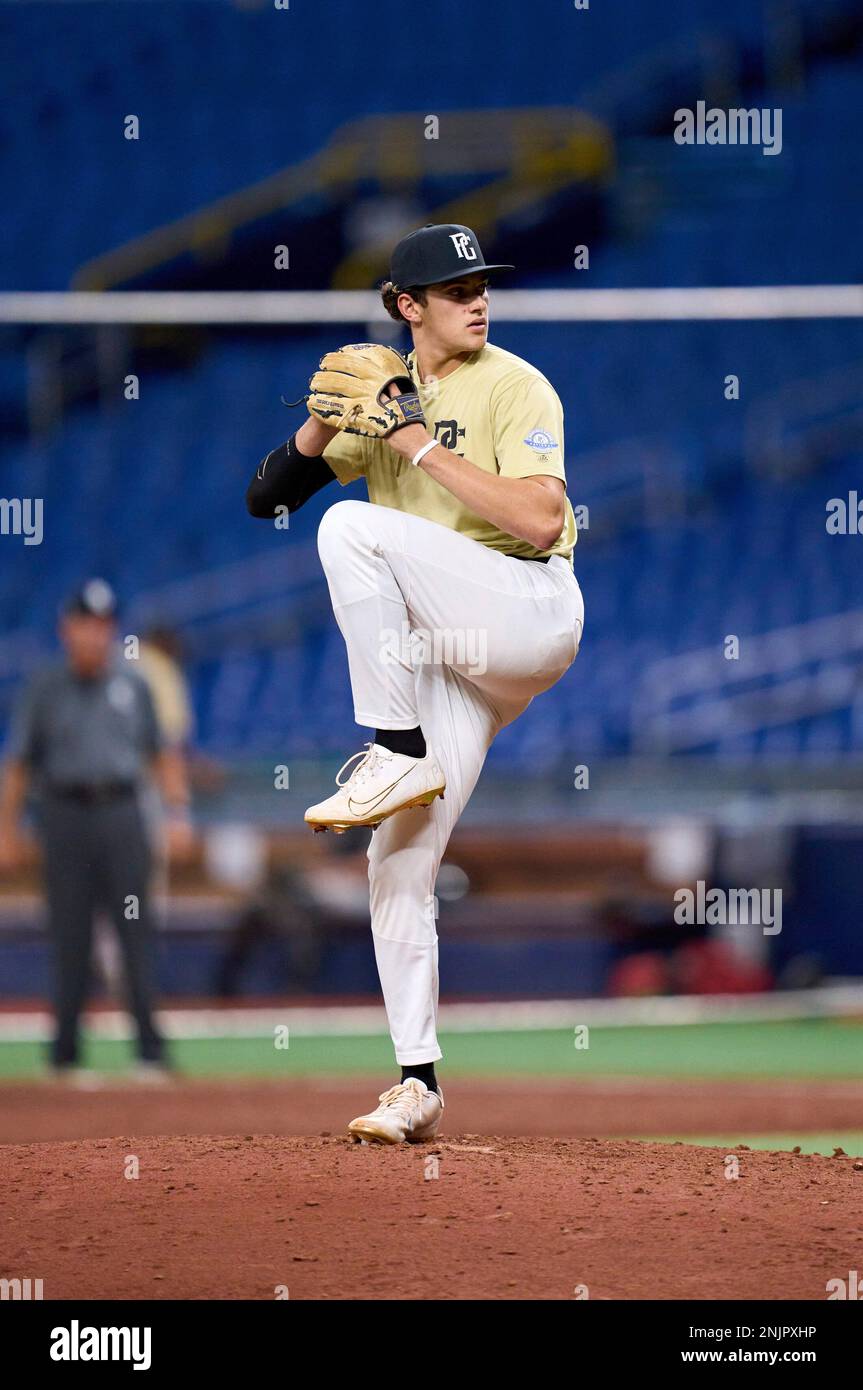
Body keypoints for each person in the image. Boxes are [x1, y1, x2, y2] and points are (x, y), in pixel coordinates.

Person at [246, 223, 583, 1142]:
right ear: (407, 306)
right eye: (455, 287)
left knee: (352, 531)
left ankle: (392, 749)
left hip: (526, 611)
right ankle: (417, 1082)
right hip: (455, 662)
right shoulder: (386, 394)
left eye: (482, 283)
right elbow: (268, 499)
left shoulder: (515, 383)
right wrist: (324, 418)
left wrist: (420, 446)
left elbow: (545, 520)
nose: (477, 298)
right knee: (395, 859)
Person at [0, 580, 194, 1080]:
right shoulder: (45, 687)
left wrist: (176, 815)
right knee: (69, 934)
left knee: (136, 932)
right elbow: (19, 763)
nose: (93, 635)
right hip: (64, 817)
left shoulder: (133, 686)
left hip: (121, 814)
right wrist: (7, 830)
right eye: (84, 624)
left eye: (102, 625)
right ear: (67, 629)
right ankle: (64, 1055)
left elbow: (161, 753)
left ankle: (149, 1051)